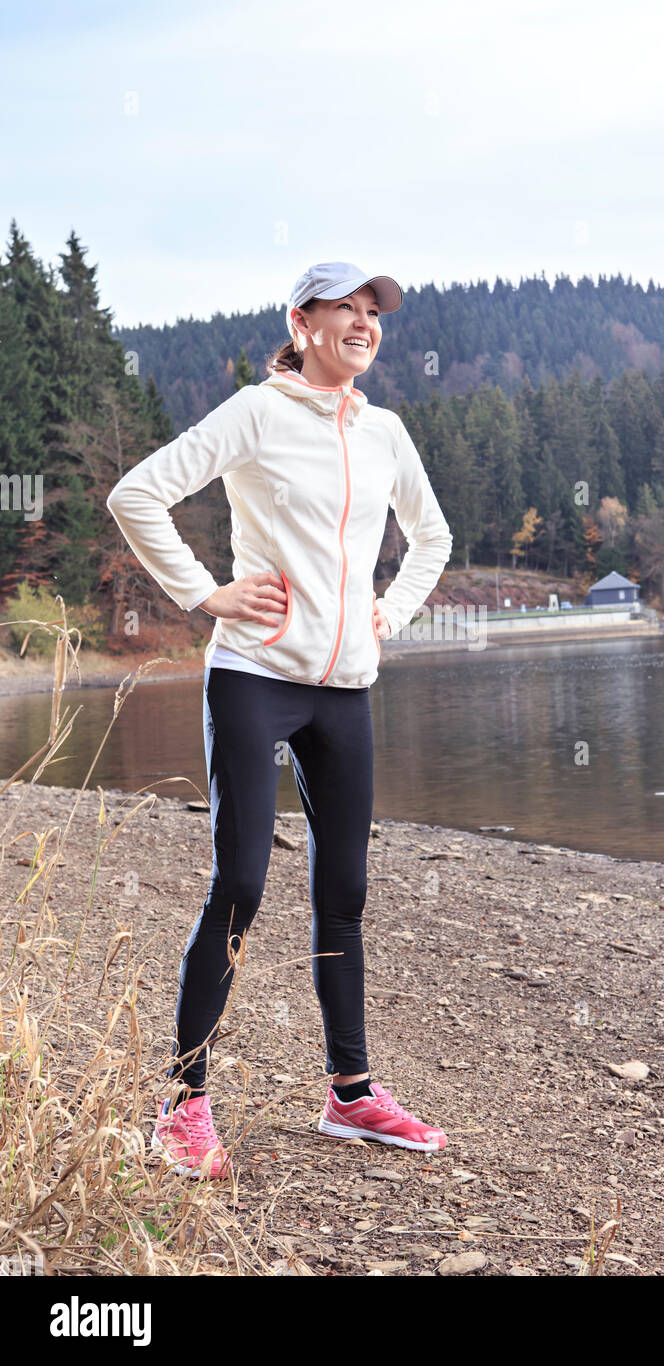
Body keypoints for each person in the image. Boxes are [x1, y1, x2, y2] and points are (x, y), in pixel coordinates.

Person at [106, 261, 453, 1178]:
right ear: (300, 322)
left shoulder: (383, 431)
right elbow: (135, 493)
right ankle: (181, 1106)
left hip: (346, 686)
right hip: (256, 673)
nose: (366, 323)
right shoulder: (255, 414)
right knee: (242, 884)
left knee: (344, 891)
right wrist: (205, 593)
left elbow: (434, 536)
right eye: (348, 307)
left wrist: (392, 609)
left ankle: (352, 1095)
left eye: (375, 310)